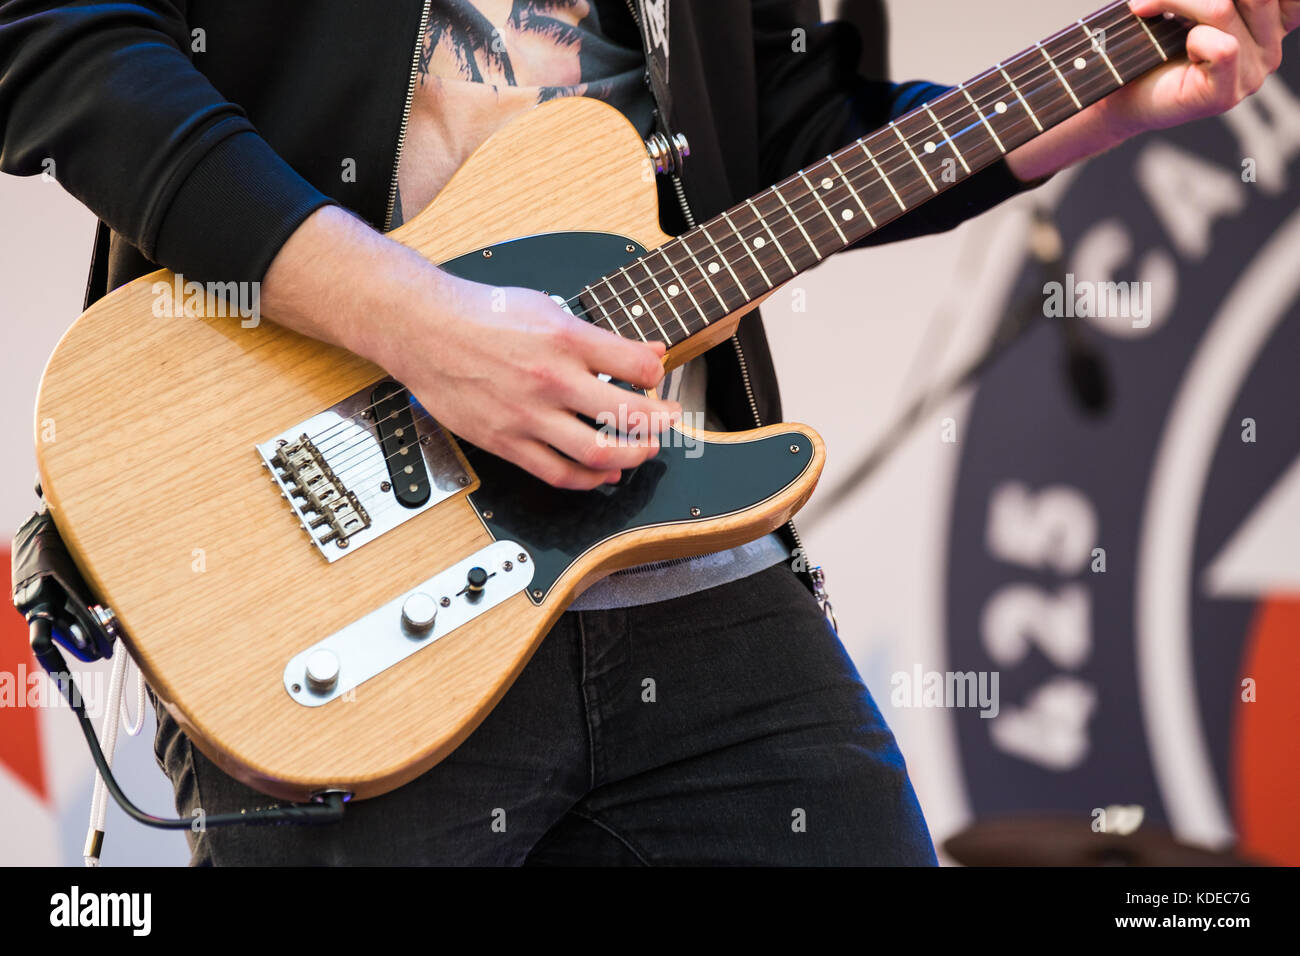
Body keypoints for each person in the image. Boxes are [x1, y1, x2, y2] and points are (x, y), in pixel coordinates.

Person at [1, 0, 1292, 865]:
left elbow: (792, 140)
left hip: (682, 570)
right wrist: (416, 324)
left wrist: (1113, 97)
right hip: (332, 568)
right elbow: (53, 38)